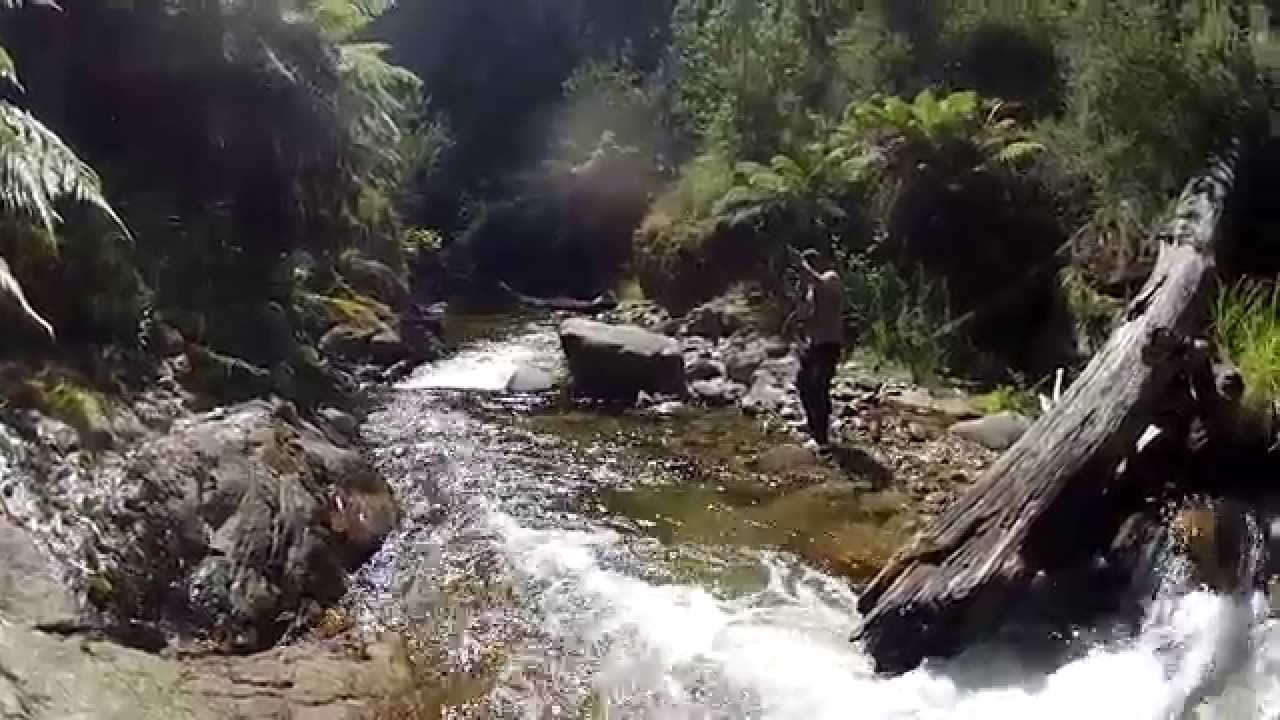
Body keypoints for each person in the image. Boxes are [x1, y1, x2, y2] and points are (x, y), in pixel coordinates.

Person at [784, 247, 844, 450]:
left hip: (829, 344)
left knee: (818, 388)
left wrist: (801, 265)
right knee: (804, 383)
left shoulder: (831, 278)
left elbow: (819, 284)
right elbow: (807, 315)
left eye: (806, 271)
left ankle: (822, 438)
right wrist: (794, 321)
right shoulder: (812, 289)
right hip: (815, 344)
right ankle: (815, 429)